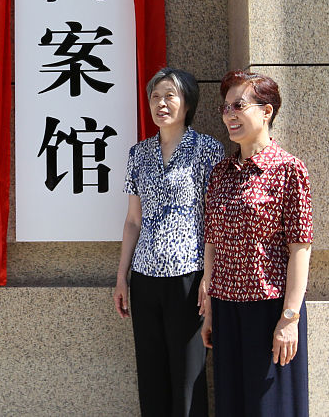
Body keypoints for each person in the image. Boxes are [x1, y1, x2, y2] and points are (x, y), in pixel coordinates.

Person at [113, 67, 225, 417]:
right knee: (151, 375)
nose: (161, 103)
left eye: (169, 96)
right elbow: (133, 220)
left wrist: (210, 276)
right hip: (145, 278)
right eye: (155, 96)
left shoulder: (207, 149)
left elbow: (216, 220)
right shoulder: (137, 153)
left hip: (189, 277)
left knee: (188, 379)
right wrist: (122, 276)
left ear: (187, 102)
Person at [200, 70, 312, 417]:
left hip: (270, 310)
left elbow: (300, 248)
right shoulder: (221, 173)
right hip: (227, 309)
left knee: (270, 409)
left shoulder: (289, 170)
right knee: (232, 406)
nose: (229, 114)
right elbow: (212, 241)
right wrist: (210, 307)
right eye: (225, 107)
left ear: (266, 112)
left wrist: (289, 318)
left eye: (239, 105)